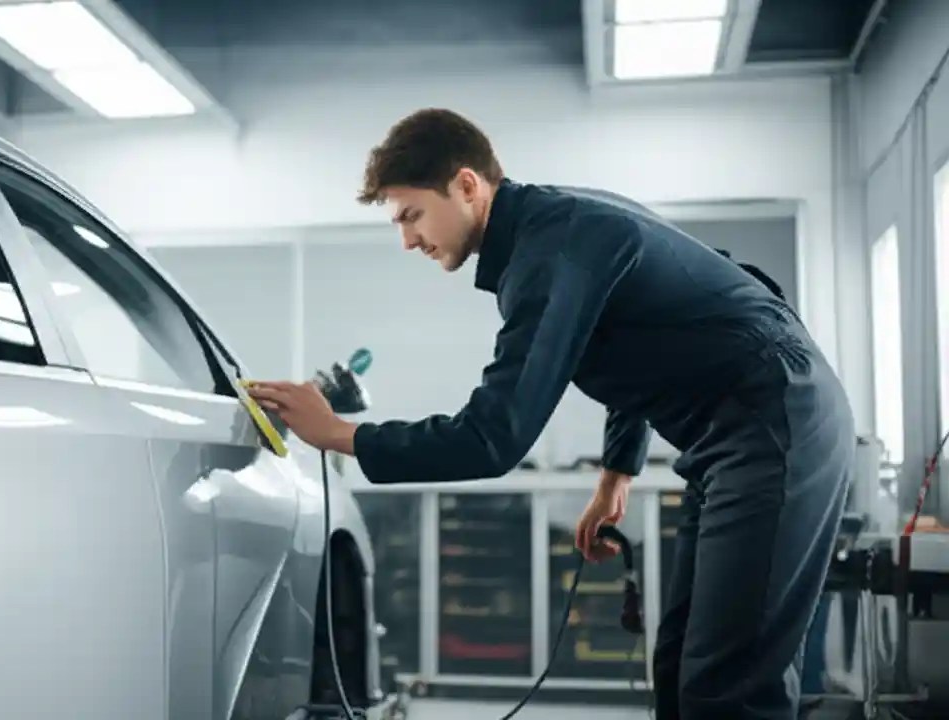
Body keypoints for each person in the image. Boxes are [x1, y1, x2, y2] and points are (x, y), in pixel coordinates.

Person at [245, 108, 855, 720]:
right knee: (680, 672)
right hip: (735, 437)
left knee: (729, 691)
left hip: (775, 422)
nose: (407, 240)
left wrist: (341, 434)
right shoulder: (558, 224)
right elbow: (652, 330)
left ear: (465, 185)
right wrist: (617, 472)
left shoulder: (551, 252)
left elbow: (493, 437)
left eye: (411, 216)